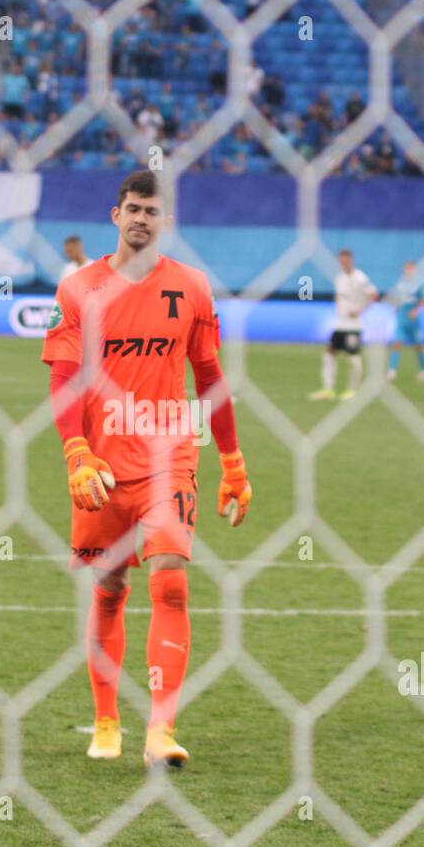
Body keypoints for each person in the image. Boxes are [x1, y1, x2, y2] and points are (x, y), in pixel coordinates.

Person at [40, 170, 251, 767]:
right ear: (116, 215)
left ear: (166, 221)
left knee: (171, 579)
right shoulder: (79, 289)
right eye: (133, 208)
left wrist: (232, 461)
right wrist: (76, 451)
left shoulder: (192, 287)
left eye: (152, 211)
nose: (141, 218)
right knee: (110, 587)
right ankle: (107, 720)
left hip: (170, 456)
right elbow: (63, 379)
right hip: (102, 464)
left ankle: (161, 729)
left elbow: (209, 377)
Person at [310, 249, 377, 401]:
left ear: (351, 261)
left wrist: (359, 310)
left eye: (346, 260)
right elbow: (339, 296)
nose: (344, 263)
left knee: (353, 357)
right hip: (340, 325)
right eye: (341, 261)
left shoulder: (360, 278)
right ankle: (328, 389)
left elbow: (373, 295)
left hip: (354, 326)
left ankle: (352, 390)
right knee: (329, 353)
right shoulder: (339, 278)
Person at [385, 261, 424, 382]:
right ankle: (391, 370)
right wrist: (394, 307)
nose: (408, 271)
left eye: (411, 269)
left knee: (419, 346)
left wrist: (416, 311)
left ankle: (423, 370)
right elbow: (394, 299)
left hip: (413, 320)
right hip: (401, 318)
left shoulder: (420, 284)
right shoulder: (400, 283)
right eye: (407, 269)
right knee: (397, 343)